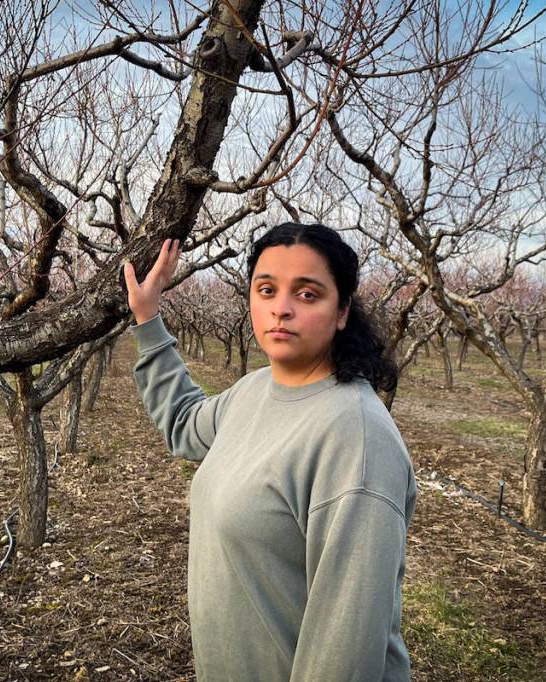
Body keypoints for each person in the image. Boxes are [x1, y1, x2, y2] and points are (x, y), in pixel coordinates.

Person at [122, 222, 416, 681]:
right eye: (266, 289)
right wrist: (148, 318)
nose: (281, 308)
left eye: (307, 294)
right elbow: (184, 422)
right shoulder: (255, 390)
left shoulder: (356, 442)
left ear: (342, 312)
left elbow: (344, 651)